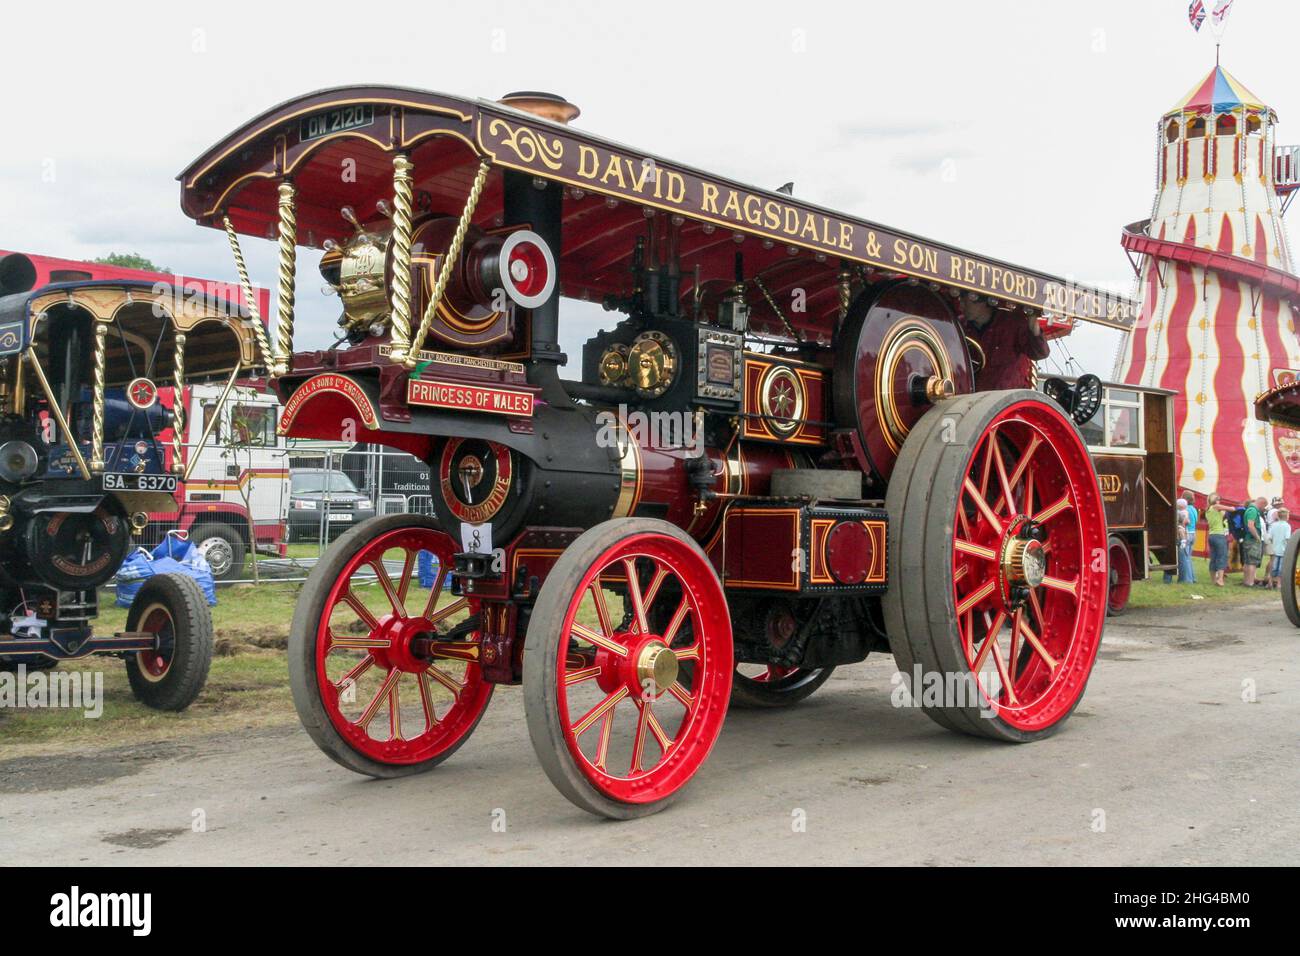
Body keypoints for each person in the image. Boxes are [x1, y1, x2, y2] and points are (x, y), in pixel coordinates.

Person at [965, 300, 1050, 391]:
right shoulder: (961, 326)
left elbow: (1040, 352)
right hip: (971, 398)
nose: (962, 304)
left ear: (983, 302)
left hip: (1008, 400)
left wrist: (1032, 319)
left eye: (966, 299)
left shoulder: (1013, 323)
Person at [1205, 492, 1231, 587]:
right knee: (1221, 557)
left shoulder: (1208, 510)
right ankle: (1220, 580)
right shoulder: (1216, 507)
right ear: (1215, 501)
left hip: (1211, 536)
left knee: (1214, 558)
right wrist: (1236, 508)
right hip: (1219, 535)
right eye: (1218, 499)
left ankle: (1213, 580)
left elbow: (1222, 514)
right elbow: (1230, 509)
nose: (1219, 501)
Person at [1241, 496, 1265, 587]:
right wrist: (1257, 537)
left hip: (1247, 539)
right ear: (1261, 503)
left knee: (1247, 562)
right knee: (1252, 562)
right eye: (1264, 506)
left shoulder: (1249, 509)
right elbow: (1250, 525)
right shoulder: (1253, 511)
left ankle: (1246, 581)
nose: (1263, 509)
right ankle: (1250, 582)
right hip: (1252, 539)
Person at [1268, 508, 1292, 590]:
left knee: (1273, 567)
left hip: (1274, 549)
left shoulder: (1273, 525)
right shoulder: (1287, 526)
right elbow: (1287, 538)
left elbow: (1270, 537)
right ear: (1287, 516)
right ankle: (1278, 583)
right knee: (1281, 568)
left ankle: (1270, 582)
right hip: (1283, 550)